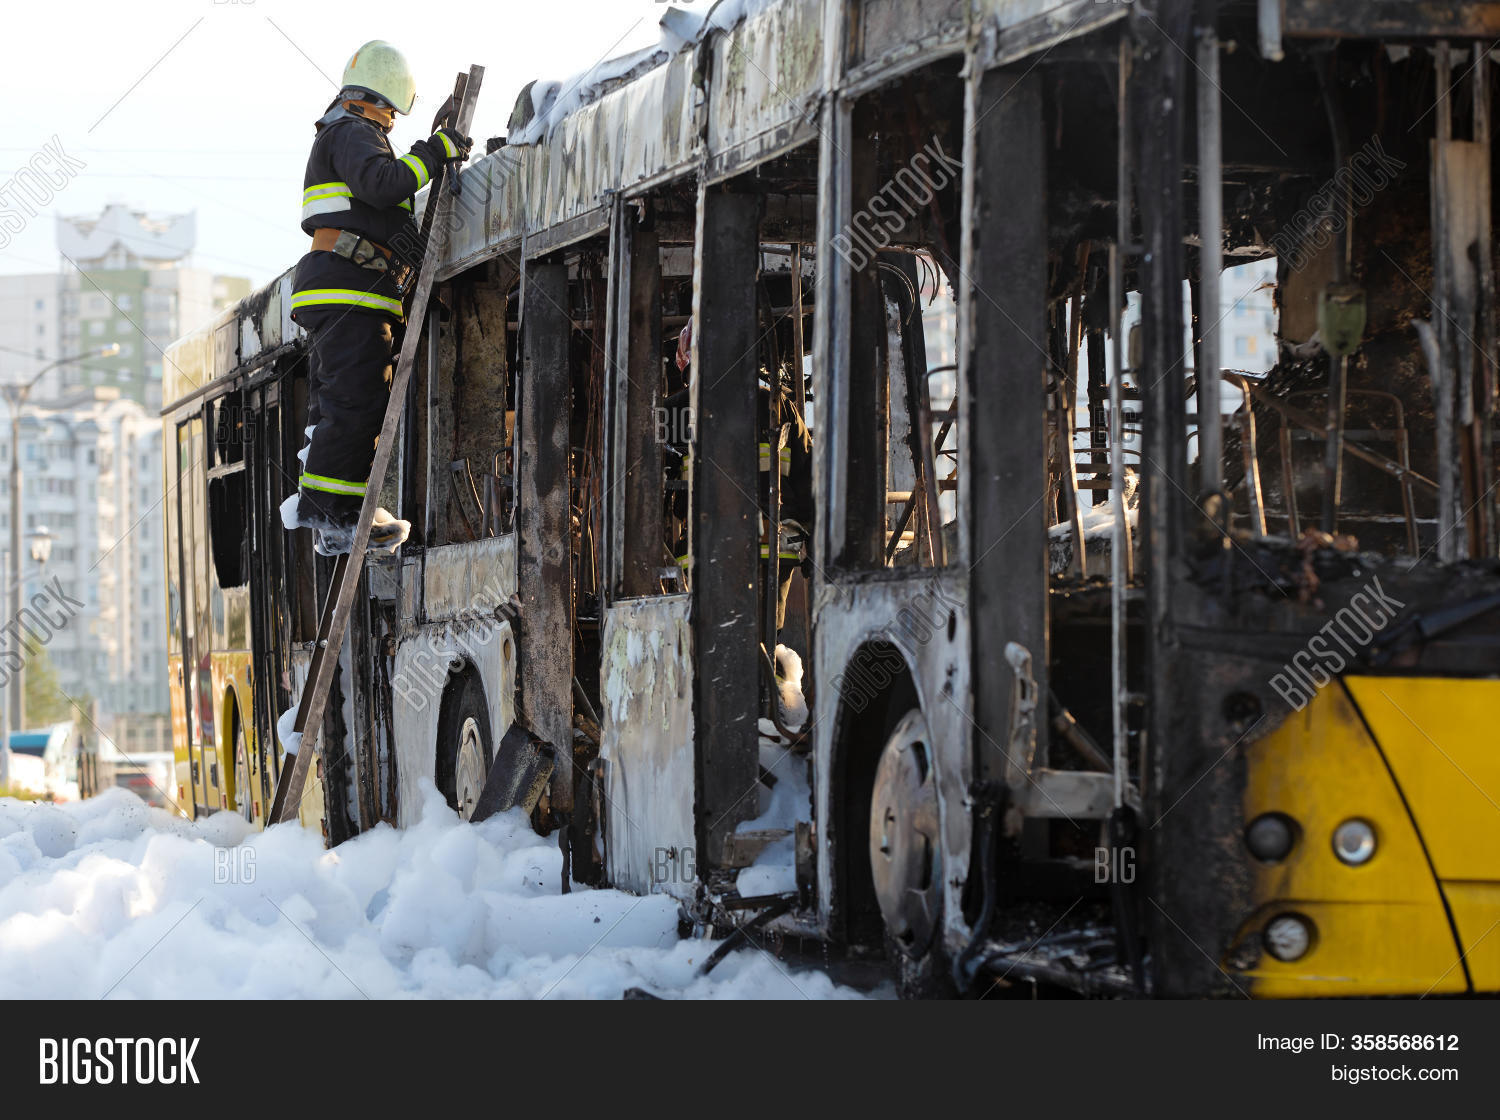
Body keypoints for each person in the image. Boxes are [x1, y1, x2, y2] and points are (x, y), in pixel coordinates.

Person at [286, 40, 472, 554]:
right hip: (348, 289)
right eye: (390, 114)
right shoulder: (350, 132)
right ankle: (334, 516)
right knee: (354, 402)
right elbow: (382, 185)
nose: (391, 124)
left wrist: (419, 275)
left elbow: (389, 225)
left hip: (351, 286)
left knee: (350, 401)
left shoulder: (348, 136)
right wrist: (435, 152)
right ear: (378, 100)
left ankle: (336, 514)